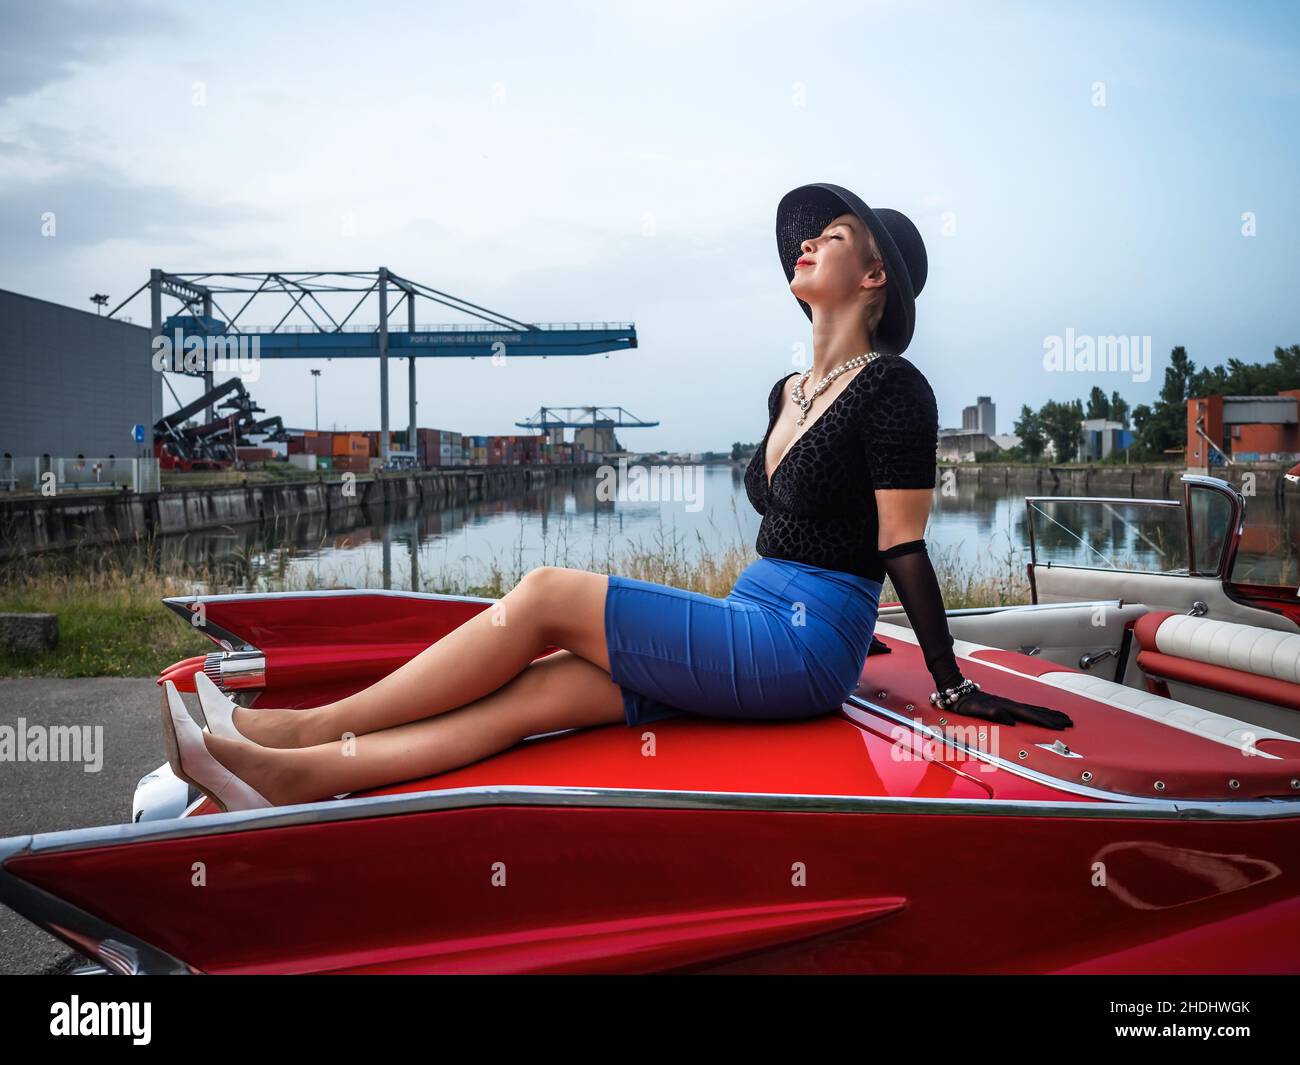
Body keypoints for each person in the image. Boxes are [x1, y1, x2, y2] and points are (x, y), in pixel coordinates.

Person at [158, 181, 1072, 814]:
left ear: (874, 278)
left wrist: (951, 680)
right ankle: (302, 776)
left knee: (550, 593)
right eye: (812, 231)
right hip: (753, 610)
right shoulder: (784, 393)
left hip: (801, 647)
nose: (808, 240)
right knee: (538, 694)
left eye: (833, 236)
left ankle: (305, 726)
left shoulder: (896, 387)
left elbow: (899, 544)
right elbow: (805, 521)